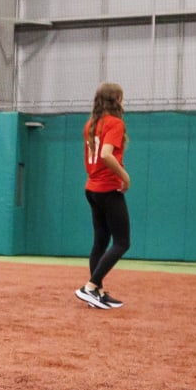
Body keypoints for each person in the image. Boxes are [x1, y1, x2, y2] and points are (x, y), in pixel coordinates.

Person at [78, 82, 129, 309]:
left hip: (92, 188)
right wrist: (125, 177)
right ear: (116, 99)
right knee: (122, 242)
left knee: (100, 241)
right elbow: (107, 155)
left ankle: (97, 292)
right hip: (108, 188)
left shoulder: (91, 123)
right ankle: (90, 286)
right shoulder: (115, 123)